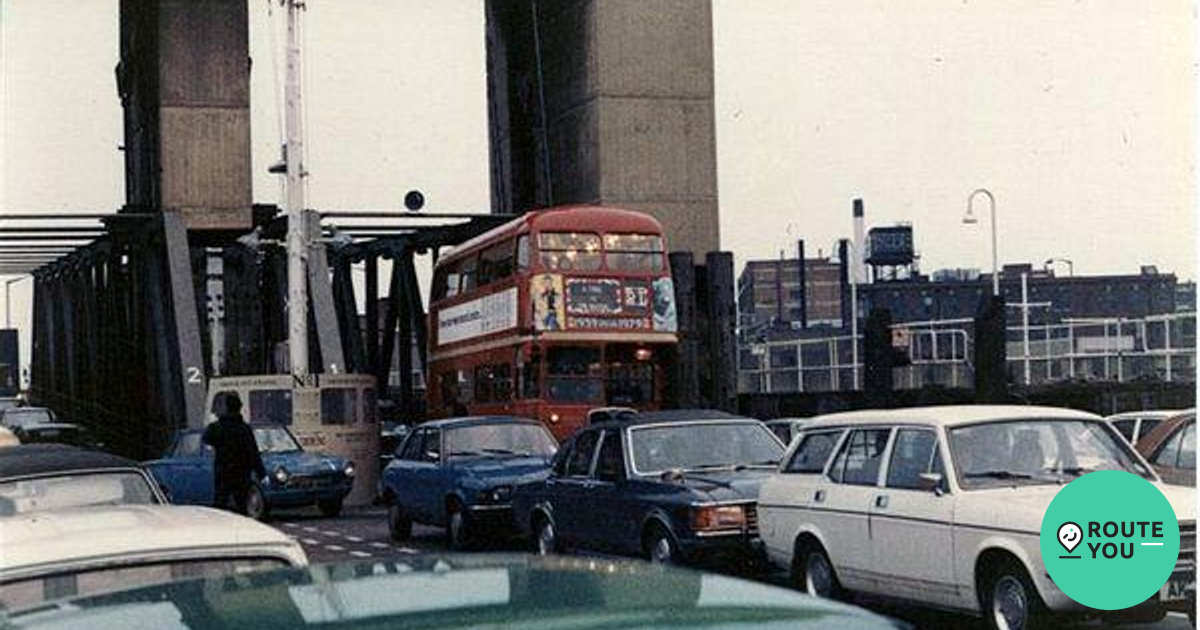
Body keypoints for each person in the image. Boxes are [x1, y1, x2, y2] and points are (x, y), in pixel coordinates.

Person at [202, 392, 266, 514]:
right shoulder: (244, 429)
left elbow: (206, 439)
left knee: (220, 502)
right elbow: (253, 453)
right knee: (241, 504)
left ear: (226, 408)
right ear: (239, 408)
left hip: (223, 470)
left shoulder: (216, 427)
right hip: (242, 472)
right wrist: (261, 473)